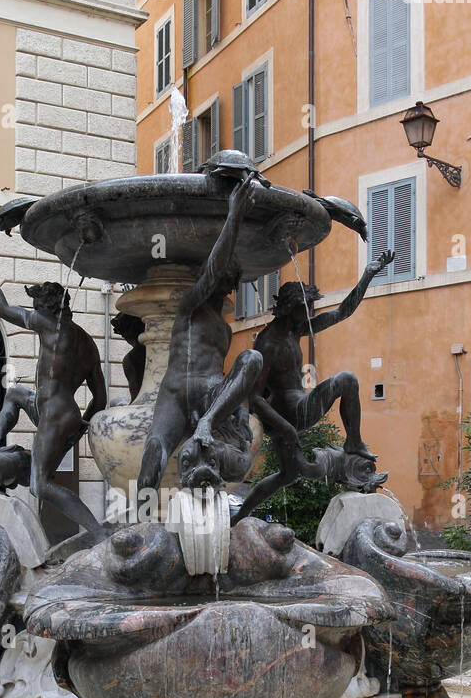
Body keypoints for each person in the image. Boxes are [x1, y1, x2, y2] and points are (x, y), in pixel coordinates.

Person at [233, 252, 394, 522]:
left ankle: (236, 518)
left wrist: (367, 275)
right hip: (289, 414)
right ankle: (353, 442)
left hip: (296, 411)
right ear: (289, 307)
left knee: (289, 474)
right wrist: (285, 428)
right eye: (305, 307)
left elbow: (342, 312)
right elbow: (253, 398)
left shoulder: (295, 330)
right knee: (347, 379)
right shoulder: (268, 342)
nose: (310, 313)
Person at [0, 242, 107, 537]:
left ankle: (96, 531)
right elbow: (100, 399)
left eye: (38, 305)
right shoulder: (89, 343)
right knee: (14, 393)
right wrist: (78, 428)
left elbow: (1, 308)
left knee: (40, 484)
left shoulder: (49, 325)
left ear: (48, 307)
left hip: (52, 413)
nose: (35, 309)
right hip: (62, 412)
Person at [137, 174, 264, 496]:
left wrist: (240, 410)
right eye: (219, 271)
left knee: (251, 358)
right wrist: (234, 215)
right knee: (155, 449)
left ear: (232, 281)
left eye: (227, 275)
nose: (220, 276)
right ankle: (140, 525)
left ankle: (207, 422)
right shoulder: (191, 303)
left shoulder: (223, 326)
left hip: (210, 393)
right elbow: (211, 268)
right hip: (176, 391)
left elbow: (236, 380)